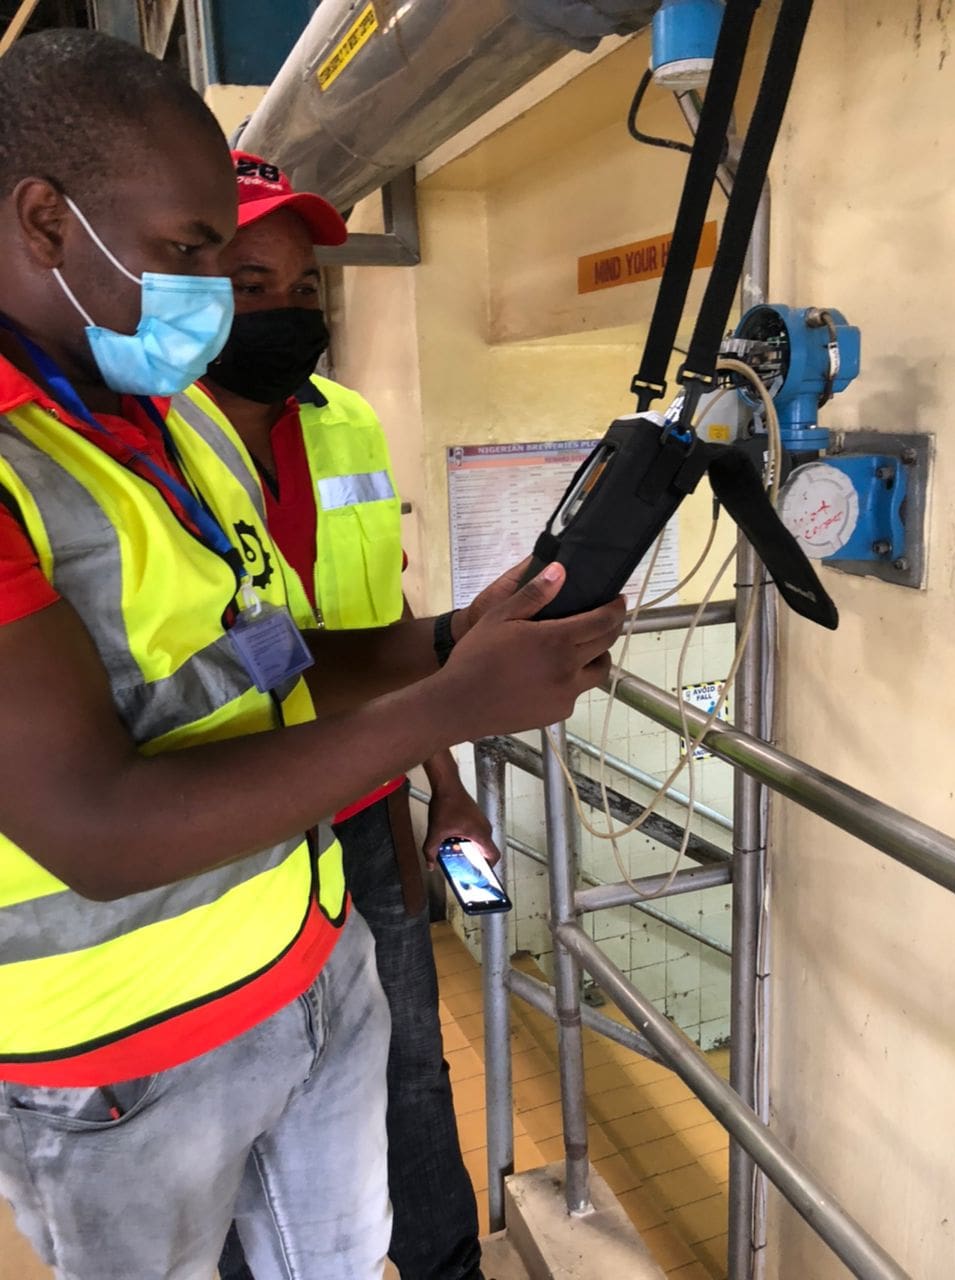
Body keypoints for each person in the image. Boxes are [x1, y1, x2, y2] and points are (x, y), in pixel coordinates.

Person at [0, 29, 624, 1280]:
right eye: (192, 253)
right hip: (123, 1058)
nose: (214, 296)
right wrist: (447, 706)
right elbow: (92, 825)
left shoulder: (166, 424)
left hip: (307, 956)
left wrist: (448, 639)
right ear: (46, 220)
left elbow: (275, 663)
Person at [206, 152, 492, 1280]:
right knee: (247, 1099)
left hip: (368, 814)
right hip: (235, 831)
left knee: (411, 1066)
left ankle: (445, 1266)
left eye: (305, 286)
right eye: (249, 284)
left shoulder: (349, 424)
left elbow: (386, 617)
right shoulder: (148, 446)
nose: (289, 310)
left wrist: (447, 785)